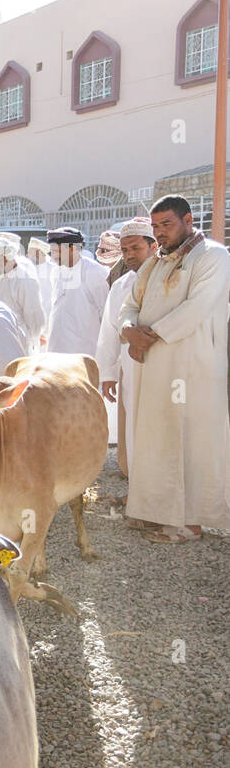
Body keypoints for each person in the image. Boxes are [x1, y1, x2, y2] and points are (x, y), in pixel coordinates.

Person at [118, 195, 230, 543]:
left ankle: (191, 522)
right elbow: (129, 305)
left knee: (192, 440)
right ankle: (158, 512)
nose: (161, 232)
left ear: (188, 219)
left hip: (193, 366)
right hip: (153, 367)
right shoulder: (155, 263)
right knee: (157, 438)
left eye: (167, 224)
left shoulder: (213, 256)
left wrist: (146, 336)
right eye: (155, 227)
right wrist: (128, 330)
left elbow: (198, 308)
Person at [95, 217, 157, 479]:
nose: (130, 255)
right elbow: (109, 331)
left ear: (153, 247)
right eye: (125, 250)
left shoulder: (169, 278)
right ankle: (138, 485)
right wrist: (108, 374)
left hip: (164, 368)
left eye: (136, 248)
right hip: (130, 369)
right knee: (133, 425)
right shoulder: (120, 285)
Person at [45, 227, 109, 355]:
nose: (52, 256)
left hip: (83, 351)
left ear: (72, 248)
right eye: (51, 251)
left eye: (56, 251)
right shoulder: (56, 272)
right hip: (56, 348)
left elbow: (106, 315)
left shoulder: (94, 271)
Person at [0, 237, 46, 353]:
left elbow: (34, 318)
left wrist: (34, 340)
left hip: (19, 342)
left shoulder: (25, 280)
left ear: (4, 258)